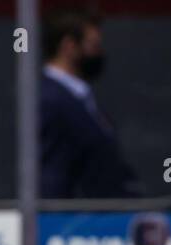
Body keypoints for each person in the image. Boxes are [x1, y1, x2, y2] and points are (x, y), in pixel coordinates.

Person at [40, 11, 140, 199]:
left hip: (102, 217)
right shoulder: (50, 99)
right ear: (69, 46)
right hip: (72, 221)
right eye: (93, 45)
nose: (100, 53)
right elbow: (49, 173)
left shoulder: (80, 97)